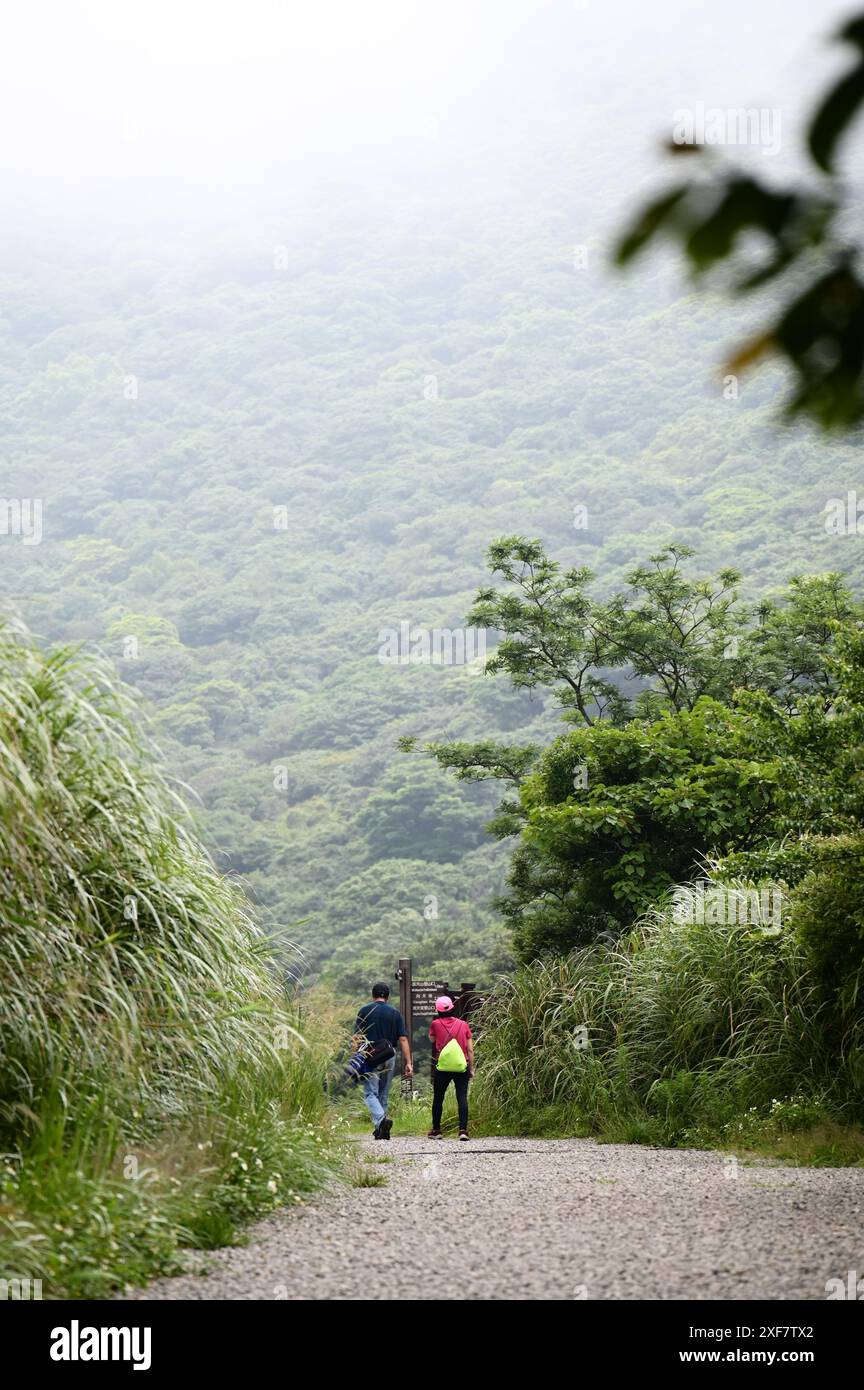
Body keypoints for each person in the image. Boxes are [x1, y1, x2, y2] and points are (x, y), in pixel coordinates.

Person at [353, 982, 413, 1139]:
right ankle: (381, 1130)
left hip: (370, 1056)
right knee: (383, 1093)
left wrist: (355, 1058)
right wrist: (408, 1062)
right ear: (387, 996)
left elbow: (357, 1038)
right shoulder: (394, 1013)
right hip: (389, 1055)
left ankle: (381, 1120)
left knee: (370, 1093)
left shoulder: (365, 1010)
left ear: (373, 995)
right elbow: (403, 1039)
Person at [427, 995, 474, 1141]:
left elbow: (432, 1039)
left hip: (444, 1067)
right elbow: (470, 1050)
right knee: (462, 1097)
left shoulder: (435, 1024)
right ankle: (463, 1131)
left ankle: (436, 1130)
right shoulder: (463, 1024)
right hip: (462, 1065)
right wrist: (470, 1068)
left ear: (438, 1010)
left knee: (438, 1097)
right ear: (452, 1008)